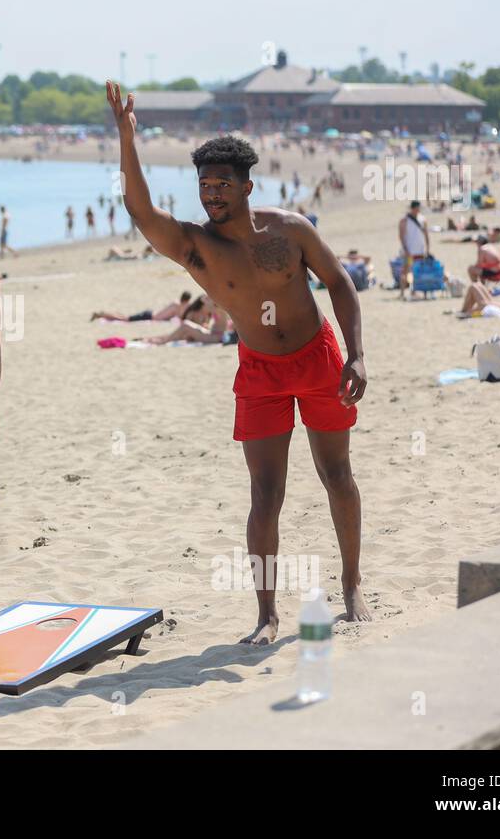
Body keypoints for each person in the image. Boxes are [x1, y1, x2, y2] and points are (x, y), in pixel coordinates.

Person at [107, 82, 370, 644]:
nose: (212, 195)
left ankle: (351, 585)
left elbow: (340, 284)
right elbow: (139, 209)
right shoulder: (194, 246)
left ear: (248, 185)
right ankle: (267, 613)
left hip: (318, 356)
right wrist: (127, 136)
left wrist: (357, 355)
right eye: (204, 186)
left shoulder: (291, 230)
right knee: (265, 494)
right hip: (259, 371)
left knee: (336, 475)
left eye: (223, 184)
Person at [91, 291, 195, 323]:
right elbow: (181, 317)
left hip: (150, 314)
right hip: (149, 316)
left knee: (125, 317)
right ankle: (102, 314)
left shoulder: (176, 303)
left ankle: (104, 314)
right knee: (126, 319)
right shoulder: (178, 306)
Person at [397, 200, 429, 300]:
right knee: (405, 271)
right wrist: (405, 249)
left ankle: (415, 291)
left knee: (418, 271)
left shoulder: (423, 219)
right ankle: (402, 292)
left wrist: (427, 248)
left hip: (420, 250)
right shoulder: (405, 220)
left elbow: (426, 234)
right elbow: (401, 235)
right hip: (409, 251)